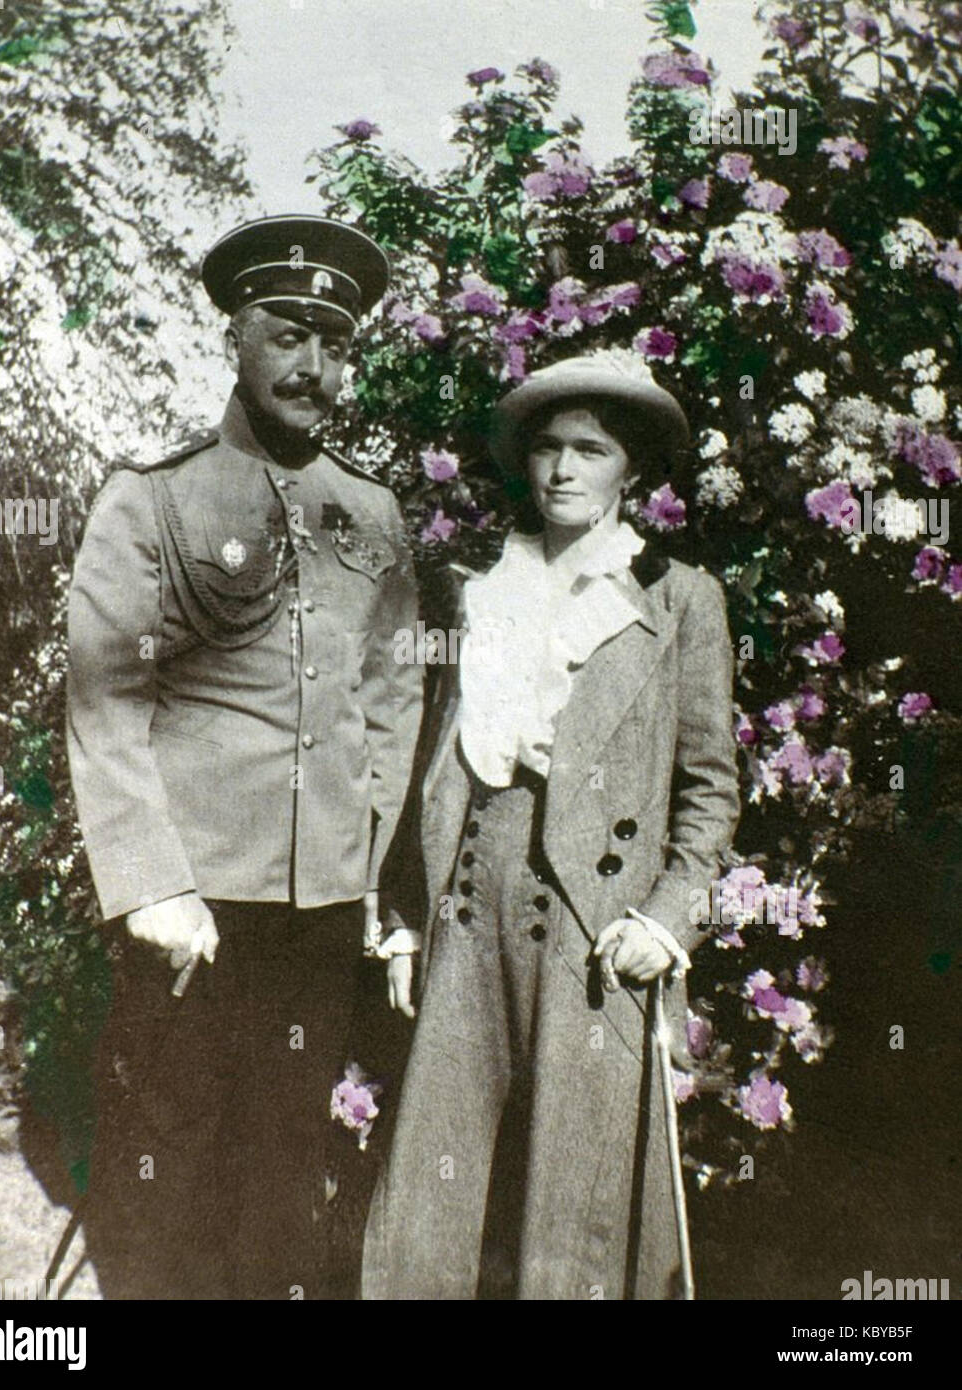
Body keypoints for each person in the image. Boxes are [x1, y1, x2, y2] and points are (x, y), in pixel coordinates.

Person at [66, 215, 422, 1299]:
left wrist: (372, 876)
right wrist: (152, 881)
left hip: (318, 902)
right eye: (287, 333)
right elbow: (105, 699)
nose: (312, 365)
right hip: (197, 904)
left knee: (286, 1175)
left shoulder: (371, 512)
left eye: (334, 341)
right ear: (235, 334)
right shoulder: (155, 495)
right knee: (169, 1176)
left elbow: (390, 696)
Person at [362, 351, 740, 1300]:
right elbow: (425, 762)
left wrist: (666, 917)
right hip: (466, 903)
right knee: (429, 1177)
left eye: (589, 449)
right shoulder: (476, 589)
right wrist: (405, 913)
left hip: (594, 923)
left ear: (631, 470)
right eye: (547, 448)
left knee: (577, 1189)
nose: (564, 469)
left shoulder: (677, 597)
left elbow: (708, 787)